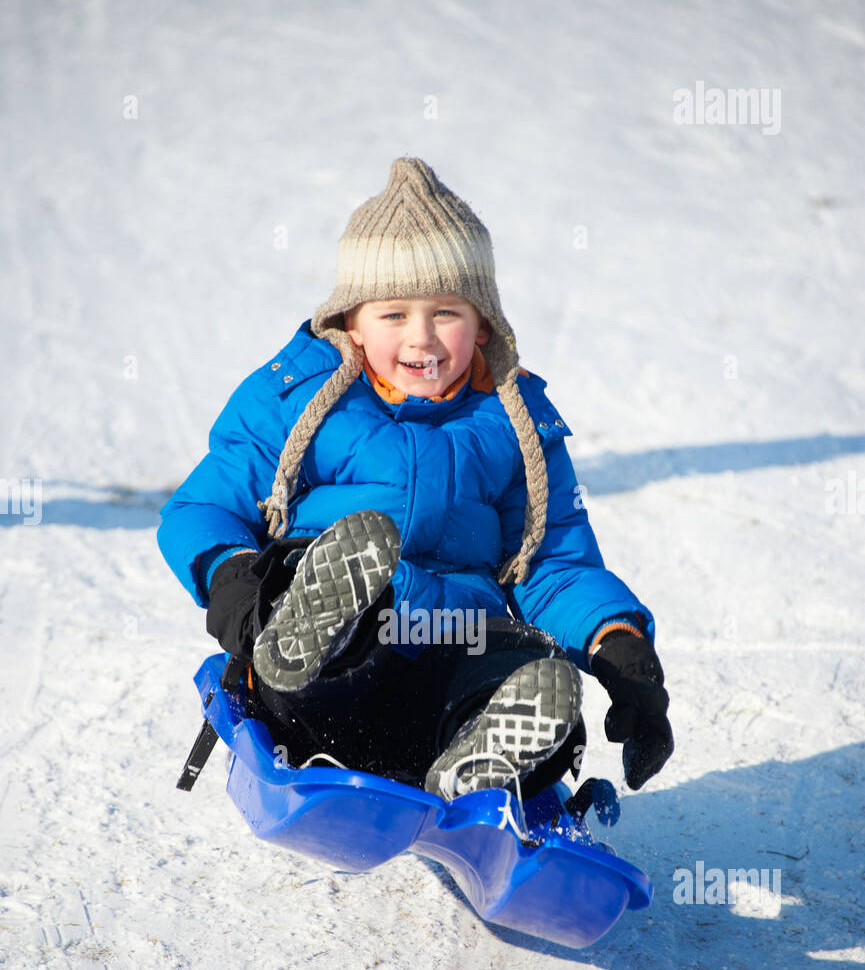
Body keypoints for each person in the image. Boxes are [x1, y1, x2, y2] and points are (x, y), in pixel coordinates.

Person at [157, 157, 673, 802]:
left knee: (536, 676)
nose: (422, 338)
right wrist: (232, 577)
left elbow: (552, 562)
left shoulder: (516, 425)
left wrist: (616, 641)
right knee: (344, 607)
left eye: (446, 313)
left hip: (454, 640)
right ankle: (305, 642)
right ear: (351, 320)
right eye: (394, 314)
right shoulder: (297, 400)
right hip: (337, 642)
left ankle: (477, 761)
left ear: (483, 322)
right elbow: (204, 506)